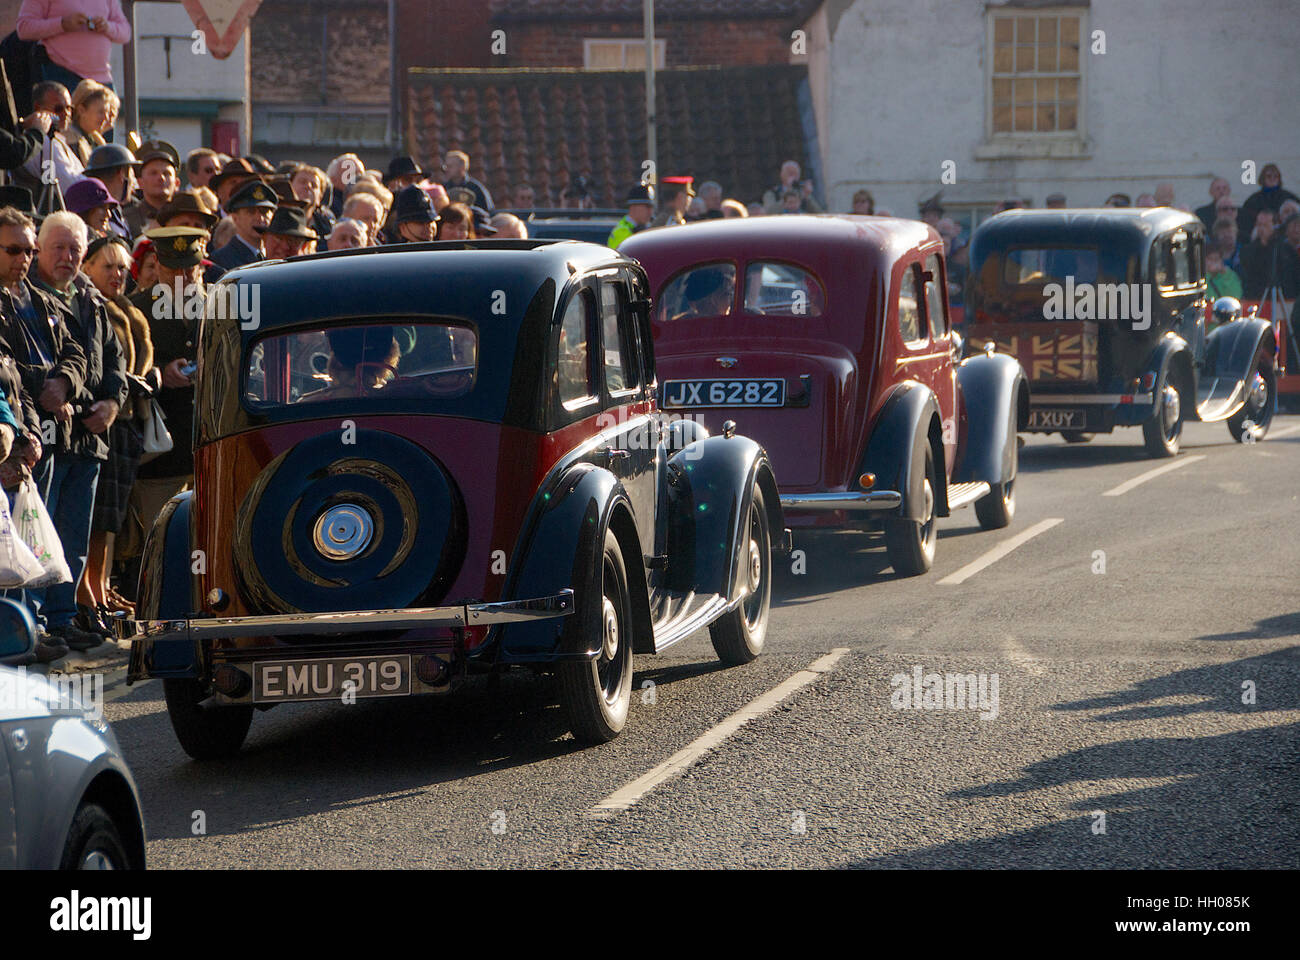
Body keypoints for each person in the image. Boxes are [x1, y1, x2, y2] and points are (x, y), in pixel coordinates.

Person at [29, 209, 125, 646]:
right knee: (38, 533)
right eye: (58, 248)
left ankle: (63, 618)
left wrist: (112, 402)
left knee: (74, 538)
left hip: (88, 440)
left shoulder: (91, 301)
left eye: (75, 249)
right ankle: (32, 624)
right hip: (46, 437)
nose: (67, 256)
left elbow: (115, 361)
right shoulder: (23, 297)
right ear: (40, 250)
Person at [0, 206, 88, 650]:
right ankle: (22, 630)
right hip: (16, 438)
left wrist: (65, 383)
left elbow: (79, 353)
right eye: (13, 249)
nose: (24, 258)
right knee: (13, 538)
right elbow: (9, 373)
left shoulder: (42, 299)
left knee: (47, 532)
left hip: (49, 435)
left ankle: (54, 621)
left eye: (28, 250)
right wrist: (46, 387)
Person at [121, 226, 204, 566]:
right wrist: (162, 369)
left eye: (190, 269)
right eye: (174, 270)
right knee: (162, 540)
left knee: (209, 536)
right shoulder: (136, 308)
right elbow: (124, 365)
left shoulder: (220, 303)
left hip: (207, 442)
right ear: (158, 265)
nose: (183, 277)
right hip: (161, 450)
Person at [79, 234, 149, 619]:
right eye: (108, 266)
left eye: (122, 267)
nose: (118, 273)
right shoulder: (91, 305)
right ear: (87, 267)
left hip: (127, 420)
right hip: (102, 422)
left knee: (112, 518)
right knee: (97, 515)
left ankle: (103, 587)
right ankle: (88, 594)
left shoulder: (125, 307)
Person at [17, 1, 131, 90]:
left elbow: (126, 33)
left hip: (101, 79)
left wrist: (107, 27)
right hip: (61, 76)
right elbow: (24, 28)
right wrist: (62, 24)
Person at [17, 81, 83, 196]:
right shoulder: (45, 142)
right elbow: (70, 185)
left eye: (69, 108)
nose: (66, 113)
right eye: (59, 108)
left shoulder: (59, 139)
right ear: (38, 108)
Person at [207, 179, 276, 274]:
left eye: (264, 211)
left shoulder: (274, 255)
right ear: (235, 218)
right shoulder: (220, 260)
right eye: (251, 212)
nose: (259, 218)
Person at [81, 141, 136, 240]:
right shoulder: (98, 217)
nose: (134, 183)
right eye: (132, 175)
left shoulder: (116, 213)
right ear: (122, 174)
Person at [122, 139, 178, 236]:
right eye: (153, 173)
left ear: (177, 183)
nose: (161, 178)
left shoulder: (185, 217)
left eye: (166, 173)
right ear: (140, 182)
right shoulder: (126, 218)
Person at [1239, 209, 1299, 300]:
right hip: (1257, 299)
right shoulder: (1248, 251)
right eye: (1259, 225)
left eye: (1265, 225)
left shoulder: (1286, 250)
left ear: (1275, 225)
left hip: (1284, 299)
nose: (1261, 228)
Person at [1238, 164, 1300, 236]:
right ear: (1263, 178)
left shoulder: (1289, 197)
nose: (1272, 178)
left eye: (1275, 176)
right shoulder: (1253, 200)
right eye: (1269, 176)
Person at [65, 77, 109, 165]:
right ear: (81, 110)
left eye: (107, 112)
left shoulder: (97, 141)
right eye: (101, 112)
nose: (106, 118)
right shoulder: (69, 142)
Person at [290, 163, 334, 241]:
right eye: (302, 182)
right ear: (290, 186)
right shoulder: (275, 219)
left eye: (314, 185)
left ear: (320, 197)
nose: (308, 186)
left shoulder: (327, 227)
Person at [607, 183, 654, 249]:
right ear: (633, 207)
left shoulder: (646, 228)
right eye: (647, 207)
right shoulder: (621, 232)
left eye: (651, 207)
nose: (650, 212)